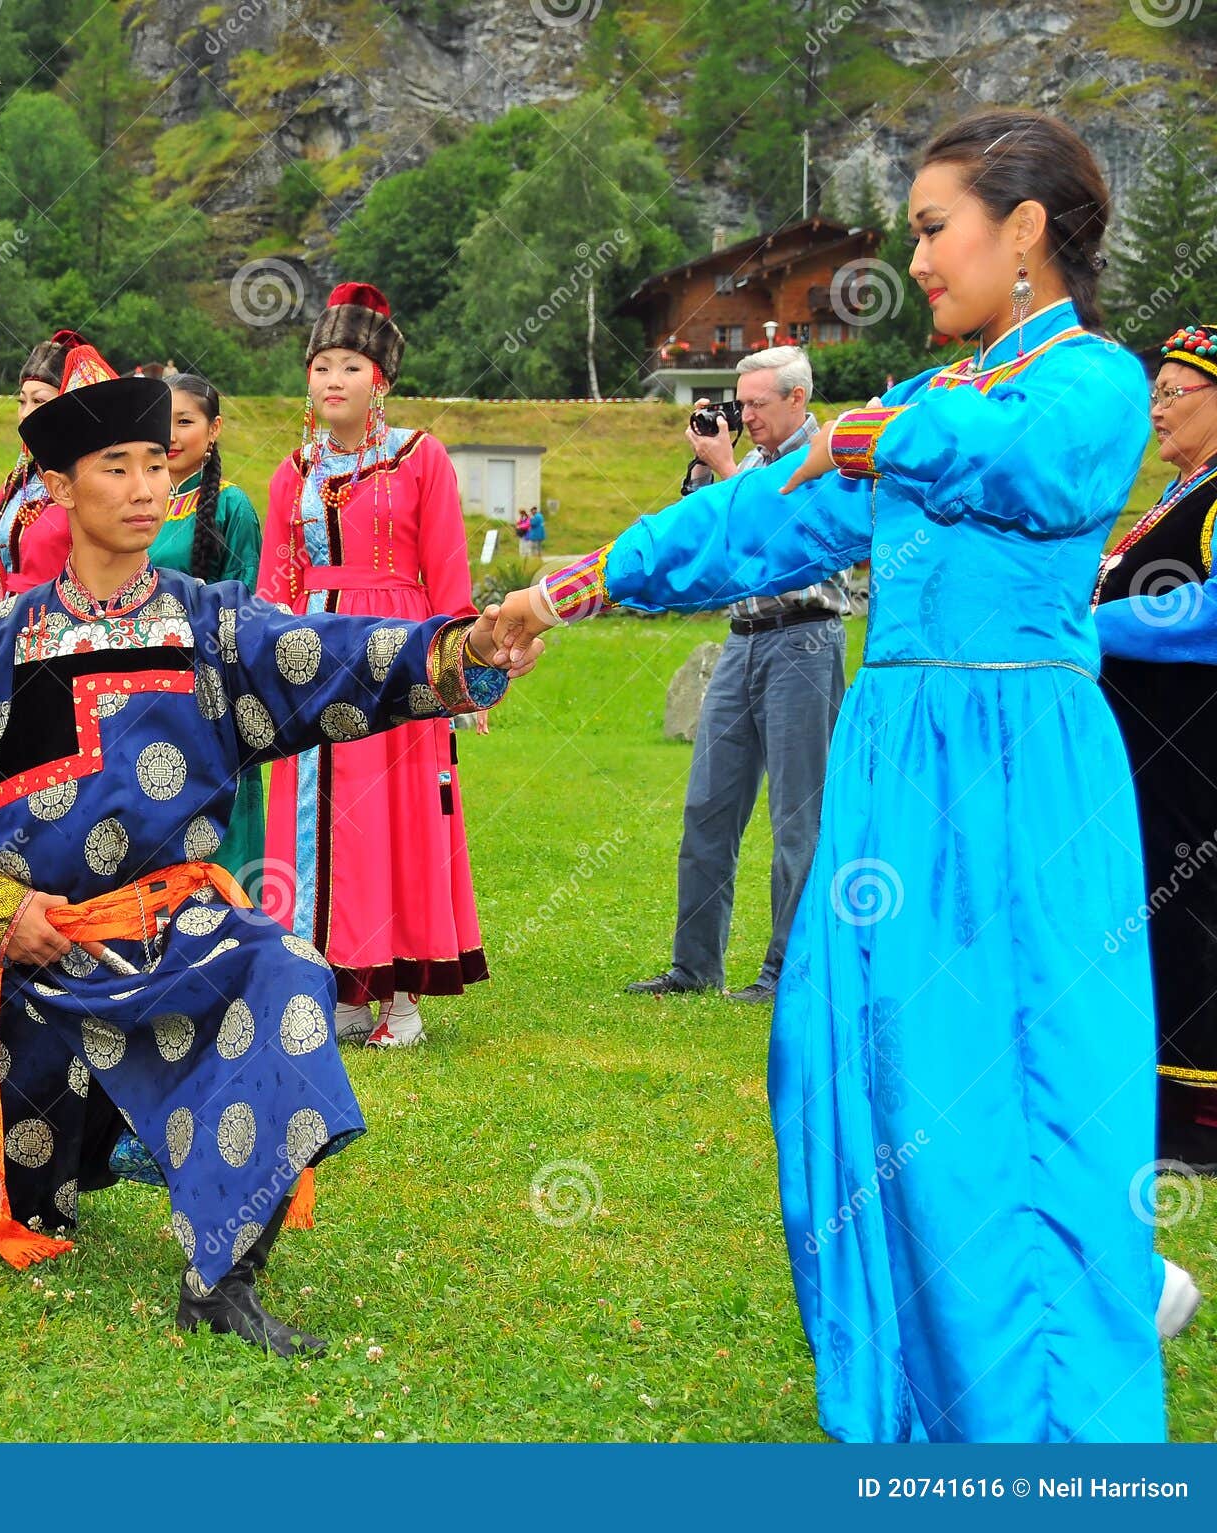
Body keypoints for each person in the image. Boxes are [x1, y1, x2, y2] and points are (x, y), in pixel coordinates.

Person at [482, 111, 1190, 1442]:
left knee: (1016, 1096)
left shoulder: (1092, 379)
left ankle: (1058, 1410)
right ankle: (920, 1396)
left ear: (1023, 231)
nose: (915, 260)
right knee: (850, 1072)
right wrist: (573, 584)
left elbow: (1037, 472)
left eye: (934, 228)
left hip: (1018, 774)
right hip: (893, 767)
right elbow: (749, 519)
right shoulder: (925, 402)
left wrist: (873, 439)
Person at [0, 374, 535, 1355]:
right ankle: (68, 1159)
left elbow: (334, 652)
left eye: (158, 464)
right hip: (49, 963)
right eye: (118, 468)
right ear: (58, 487)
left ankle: (224, 1280)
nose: (147, 487)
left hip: (182, 933)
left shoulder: (213, 627)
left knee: (285, 974)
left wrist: (462, 645)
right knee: (18, 1199)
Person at [257, 282, 487, 1049]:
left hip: (396, 653)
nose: (331, 380)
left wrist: (462, 671)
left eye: (348, 365)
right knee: (317, 825)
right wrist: (266, 663)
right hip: (311, 660)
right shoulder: (292, 471)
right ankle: (343, 987)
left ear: (379, 379)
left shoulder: (421, 459)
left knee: (393, 818)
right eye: (320, 365)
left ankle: (404, 996)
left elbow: (448, 573)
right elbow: (274, 584)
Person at [627, 347, 848, 1005]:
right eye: (739, 403)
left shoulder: (828, 457)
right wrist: (706, 470)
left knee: (797, 816)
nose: (743, 415)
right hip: (742, 639)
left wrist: (727, 469)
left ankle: (789, 974)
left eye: (756, 403)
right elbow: (715, 538)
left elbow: (775, 533)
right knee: (707, 808)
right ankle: (695, 967)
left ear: (798, 400)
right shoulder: (745, 464)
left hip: (805, 639)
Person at [1094, 321, 1217, 1174]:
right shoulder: (1181, 494)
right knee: (1150, 900)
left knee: (1191, 904)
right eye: (1154, 393)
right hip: (1146, 747)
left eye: (1174, 393)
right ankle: (1156, 1100)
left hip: (1195, 750)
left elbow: (1210, 614)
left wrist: (1090, 623)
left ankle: (1199, 1118)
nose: (1158, 409)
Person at [153, 372, 264, 899]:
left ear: (213, 428)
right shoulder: (141, 497)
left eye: (185, 421)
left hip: (212, 688)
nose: (171, 434)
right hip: (142, 685)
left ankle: (230, 948)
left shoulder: (232, 506)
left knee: (218, 821)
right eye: (163, 422)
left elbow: (243, 604)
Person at [0, 334, 117, 598]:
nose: (25, 414)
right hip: (7, 625)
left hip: (65, 626)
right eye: (22, 401)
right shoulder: (16, 484)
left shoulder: (92, 484)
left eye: (39, 401)